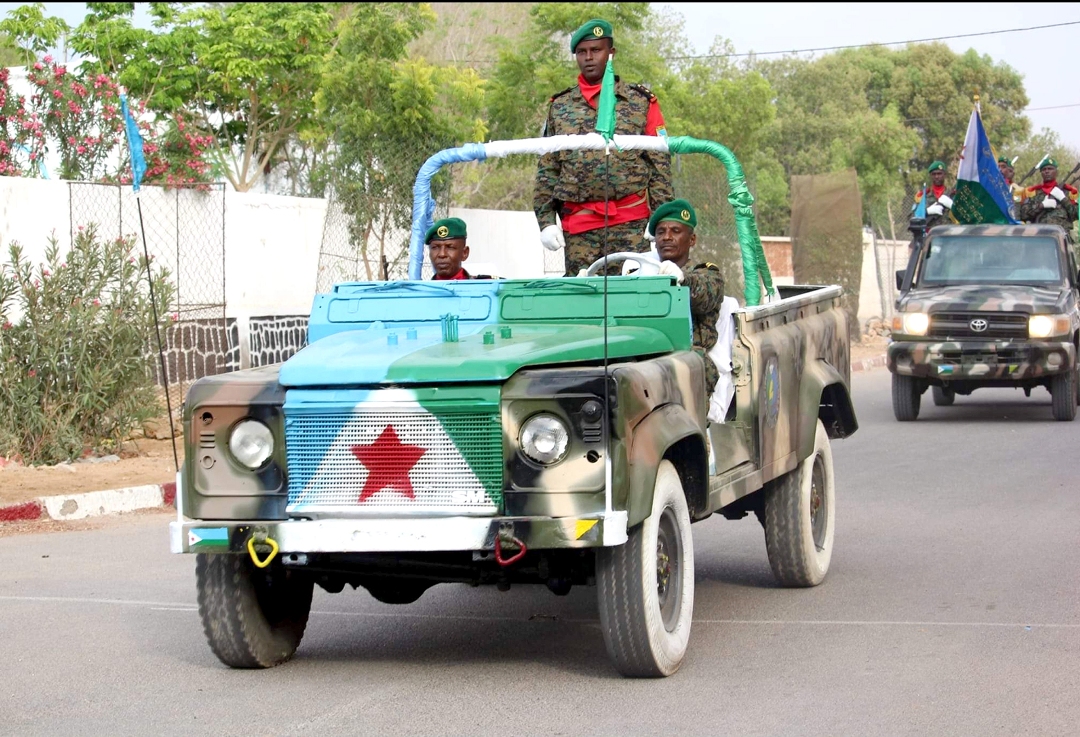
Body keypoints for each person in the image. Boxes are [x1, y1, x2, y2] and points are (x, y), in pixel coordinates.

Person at [534, 18, 673, 276]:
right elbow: (547, 170)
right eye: (582, 52)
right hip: (580, 225)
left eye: (596, 50)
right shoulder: (560, 106)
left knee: (634, 301)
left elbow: (660, 166)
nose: (589, 58)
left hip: (632, 222)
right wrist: (545, 222)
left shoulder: (641, 102)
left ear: (611, 53)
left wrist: (661, 220)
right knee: (584, 303)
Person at [647, 199, 724, 395]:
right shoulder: (642, 276)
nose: (667, 237)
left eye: (675, 231)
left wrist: (683, 279)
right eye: (661, 232)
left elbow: (705, 294)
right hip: (648, 354)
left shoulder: (707, 274)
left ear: (692, 240)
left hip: (689, 359)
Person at [1018, 156, 1079, 240]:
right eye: (1044, 169)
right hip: (1039, 238)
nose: (1047, 171)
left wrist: (1063, 199)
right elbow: (1023, 216)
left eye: (1050, 169)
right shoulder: (1033, 193)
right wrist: (1041, 206)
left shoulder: (1068, 193)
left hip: (1062, 240)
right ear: (1041, 173)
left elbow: (1075, 215)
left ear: (1056, 172)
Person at [424, 217, 495, 280]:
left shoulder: (489, 288)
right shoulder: (421, 293)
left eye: (450, 247)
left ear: (465, 253)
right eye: (435, 247)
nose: (442, 254)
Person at [912, 161, 956, 230]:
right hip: (930, 236)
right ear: (930, 176)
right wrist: (927, 211)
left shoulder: (953, 194)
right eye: (934, 174)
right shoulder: (922, 196)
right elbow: (912, 217)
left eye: (939, 173)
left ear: (944, 174)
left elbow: (964, 217)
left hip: (949, 235)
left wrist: (953, 206)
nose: (936, 176)